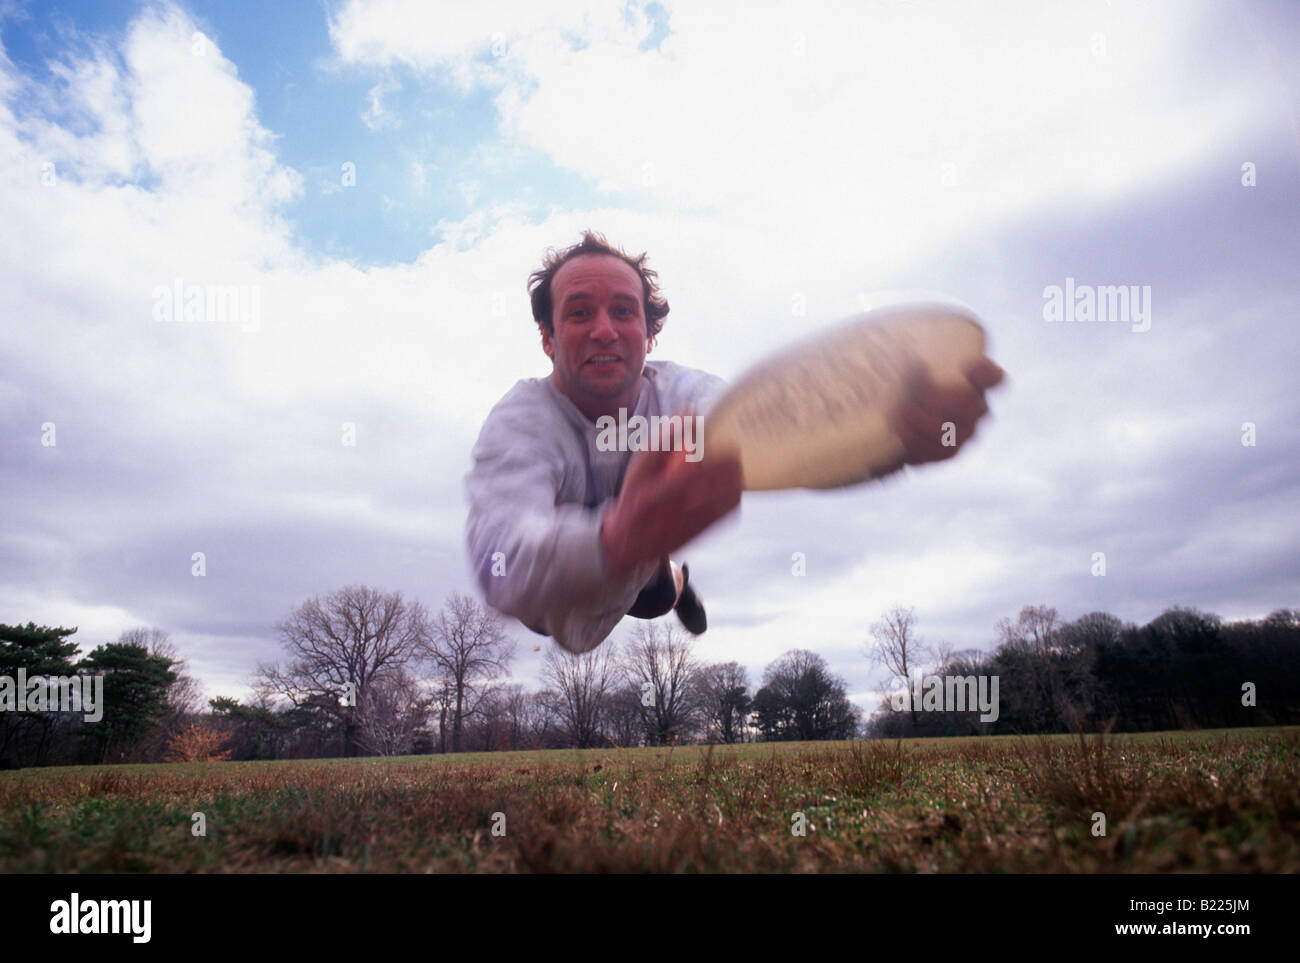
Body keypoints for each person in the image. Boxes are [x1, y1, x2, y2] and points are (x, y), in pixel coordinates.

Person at [464, 231, 1003, 655]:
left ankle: (677, 580)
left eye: (624, 311)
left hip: (643, 568)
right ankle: (648, 558)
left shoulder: (685, 396)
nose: (604, 329)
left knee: (655, 598)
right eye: (579, 312)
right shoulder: (520, 421)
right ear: (547, 337)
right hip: (568, 574)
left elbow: (794, 428)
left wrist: (896, 440)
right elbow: (500, 560)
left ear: (650, 336)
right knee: (544, 610)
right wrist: (614, 539)